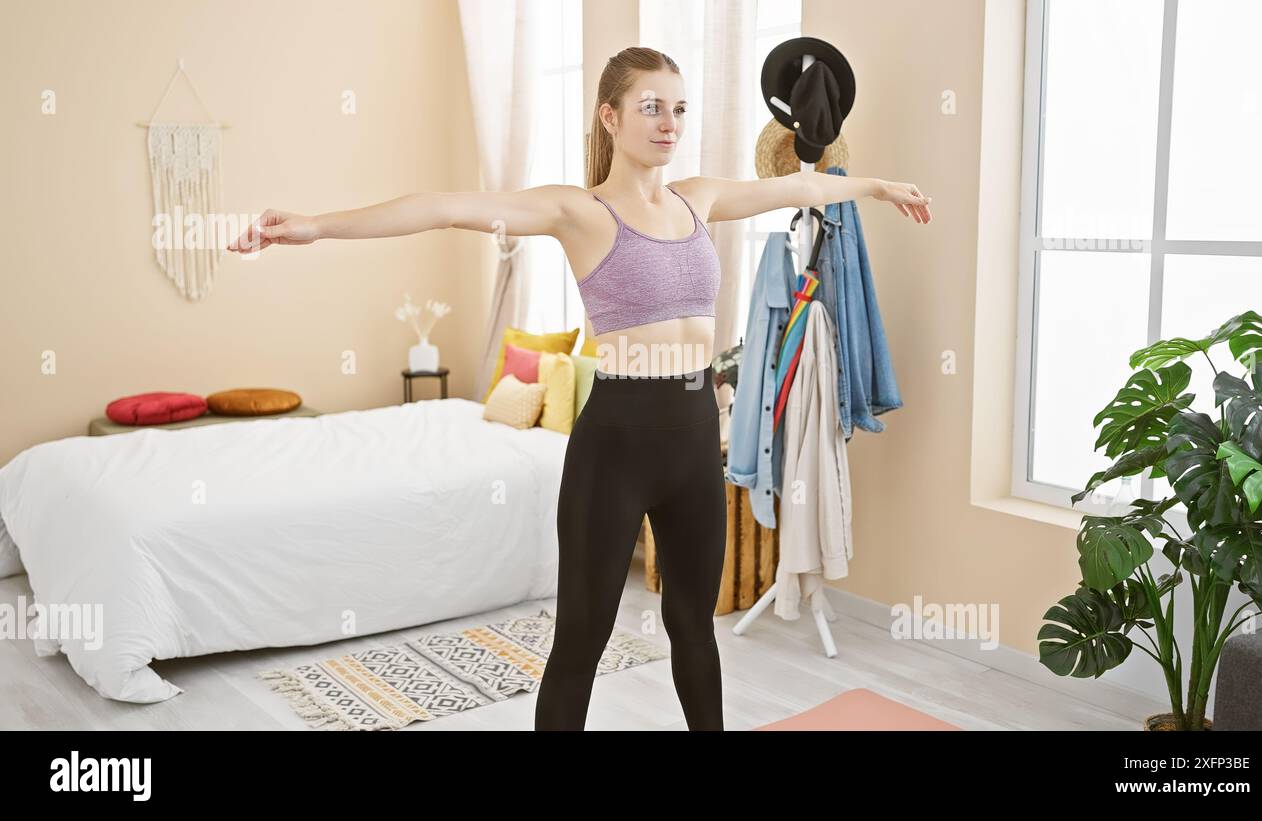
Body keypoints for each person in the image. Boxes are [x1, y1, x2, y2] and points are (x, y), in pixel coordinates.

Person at [226, 46, 932, 731]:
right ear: (610, 117)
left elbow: (801, 186)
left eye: (679, 109)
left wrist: (875, 187)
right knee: (581, 642)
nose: (669, 123)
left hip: (692, 439)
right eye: (651, 107)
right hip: (615, 444)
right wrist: (316, 226)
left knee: (693, 626)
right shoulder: (580, 212)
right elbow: (444, 206)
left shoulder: (700, 199)